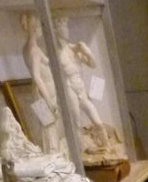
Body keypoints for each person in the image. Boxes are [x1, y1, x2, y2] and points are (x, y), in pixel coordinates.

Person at [53, 14, 108, 150]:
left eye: (66, 27)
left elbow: (93, 65)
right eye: (62, 27)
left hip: (80, 88)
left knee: (97, 120)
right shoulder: (56, 53)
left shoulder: (75, 48)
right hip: (69, 87)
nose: (66, 30)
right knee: (76, 122)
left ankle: (106, 145)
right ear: (56, 31)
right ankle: (79, 151)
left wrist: (87, 52)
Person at [21, 12, 63, 154]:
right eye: (39, 27)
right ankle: (53, 156)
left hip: (43, 91)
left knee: (50, 127)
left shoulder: (29, 48)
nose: (40, 30)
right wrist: (49, 101)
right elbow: (37, 77)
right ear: (34, 28)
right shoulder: (33, 51)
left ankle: (54, 156)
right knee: (49, 128)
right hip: (43, 94)